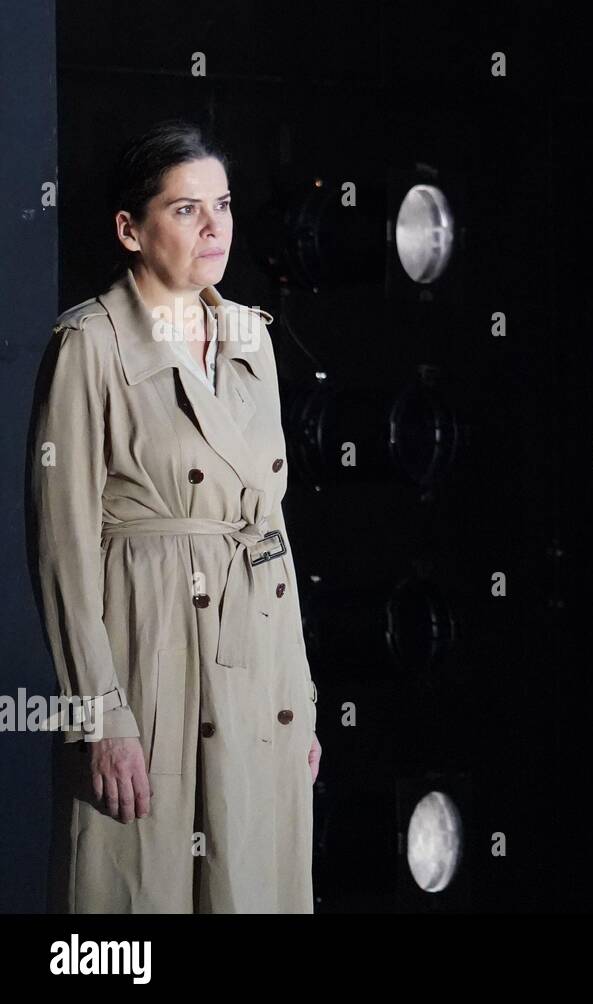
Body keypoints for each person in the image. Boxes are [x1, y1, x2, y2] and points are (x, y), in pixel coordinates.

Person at [33, 119, 321, 913]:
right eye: (186, 209)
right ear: (130, 229)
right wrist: (101, 719)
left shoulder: (250, 338)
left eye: (222, 205)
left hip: (255, 670)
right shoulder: (89, 346)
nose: (214, 227)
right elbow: (62, 554)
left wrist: (300, 698)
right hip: (150, 663)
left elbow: (273, 534)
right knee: (141, 892)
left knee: (254, 880)